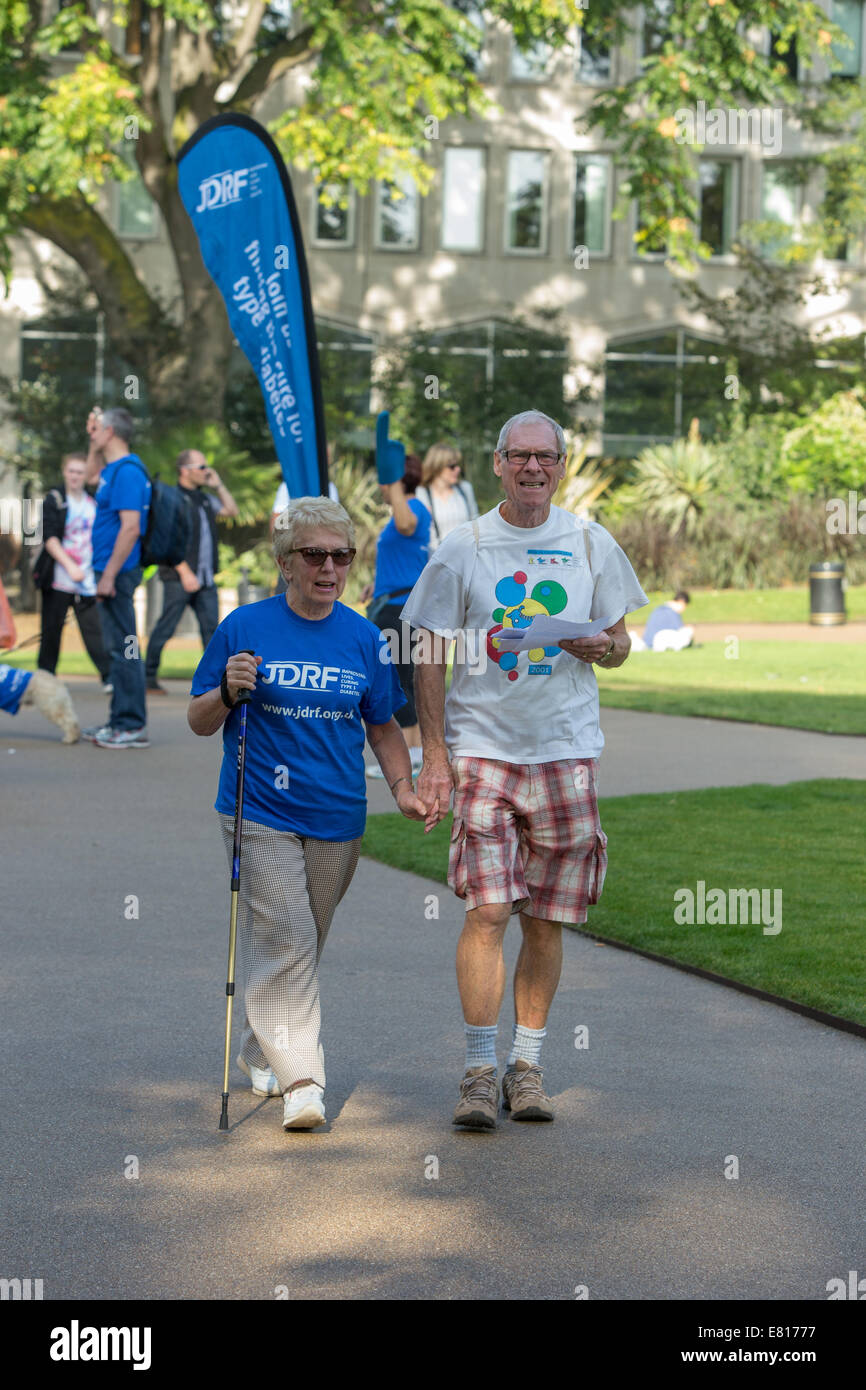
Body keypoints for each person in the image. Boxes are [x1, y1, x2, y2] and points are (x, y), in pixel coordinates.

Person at [403, 408, 648, 1131]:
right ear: (500, 461)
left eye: (546, 456)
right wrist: (435, 754)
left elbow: (622, 641)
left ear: (561, 464)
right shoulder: (465, 545)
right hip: (483, 748)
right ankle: (479, 1072)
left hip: (565, 750)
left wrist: (604, 649)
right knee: (487, 910)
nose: (533, 467)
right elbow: (427, 647)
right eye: (520, 456)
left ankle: (527, 1068)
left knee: (546, 916)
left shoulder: (590, 542)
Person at [188, 496, 429, 1132]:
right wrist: (226, 690)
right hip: (259, 810)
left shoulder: (362, 637)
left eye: (341, 556)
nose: (329, 567)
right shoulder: (243, 626)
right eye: (314, 555)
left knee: (300, 945)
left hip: (338, 817)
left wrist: (403, 788)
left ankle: (262, 1043)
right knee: (288, 940)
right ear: (285, 561)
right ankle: (303, 1080)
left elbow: (382, 726)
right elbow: (198, 720)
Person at [81, 407, 152, 749]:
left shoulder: (128, 473)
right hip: (108, 572)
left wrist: (108, 576)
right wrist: (93, 444)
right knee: (116, 649)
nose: (91, 432)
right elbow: (90, 477)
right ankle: (118, 720)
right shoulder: (112, 470)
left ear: (110, 431)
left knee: (125, 649)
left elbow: (131, 528)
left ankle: (131, 724)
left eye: (96, 429)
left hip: (118, 574)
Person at [145, 449, 239, 694]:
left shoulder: (205, 499)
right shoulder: (171, 498)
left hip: (206, 578)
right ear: (184, 471)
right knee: (166, 627)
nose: (206, 471)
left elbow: (231, 510)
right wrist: (185, 572)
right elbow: (165, 538)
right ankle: (147, 678)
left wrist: (218, 485)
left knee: (212, 632)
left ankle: (215, 685)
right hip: (179, 577)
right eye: (201, 467)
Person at [362, 453, 431, 778]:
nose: (380, 485)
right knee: (405, 678)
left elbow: (406, 524)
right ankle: (414, 753)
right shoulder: (400, 514)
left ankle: (406, 755)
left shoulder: (412, 508)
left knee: (398, 679)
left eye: (384, 478)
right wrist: (375, 586)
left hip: (400, 609)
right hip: (393, 603)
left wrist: (394, 483)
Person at [36, 452, 110, 690]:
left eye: (80, 472)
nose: (75, 476)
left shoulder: (92, 501)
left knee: (94, 629)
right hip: (59, 577)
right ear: (64, 472)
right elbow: (49, 538)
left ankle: (109, 677)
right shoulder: (55, 498)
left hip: (87, 579)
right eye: (71, 471)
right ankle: (44, 679)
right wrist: (70, 566)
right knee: (51, 630)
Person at [269, 476, 340, 595]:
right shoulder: (288, 486)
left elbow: (336, 522)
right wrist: (285, 548)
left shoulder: (329, 486)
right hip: (295, 556)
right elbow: (278, 522)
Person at [415, 442, 478, 552]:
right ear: (436, 467)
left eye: (458, 465)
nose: (457, 469)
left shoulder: (464, 489)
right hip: (436, 559)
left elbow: (476, 523)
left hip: (468, 556)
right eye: (452, 466)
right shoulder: (422, 493)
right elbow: (425, 533)